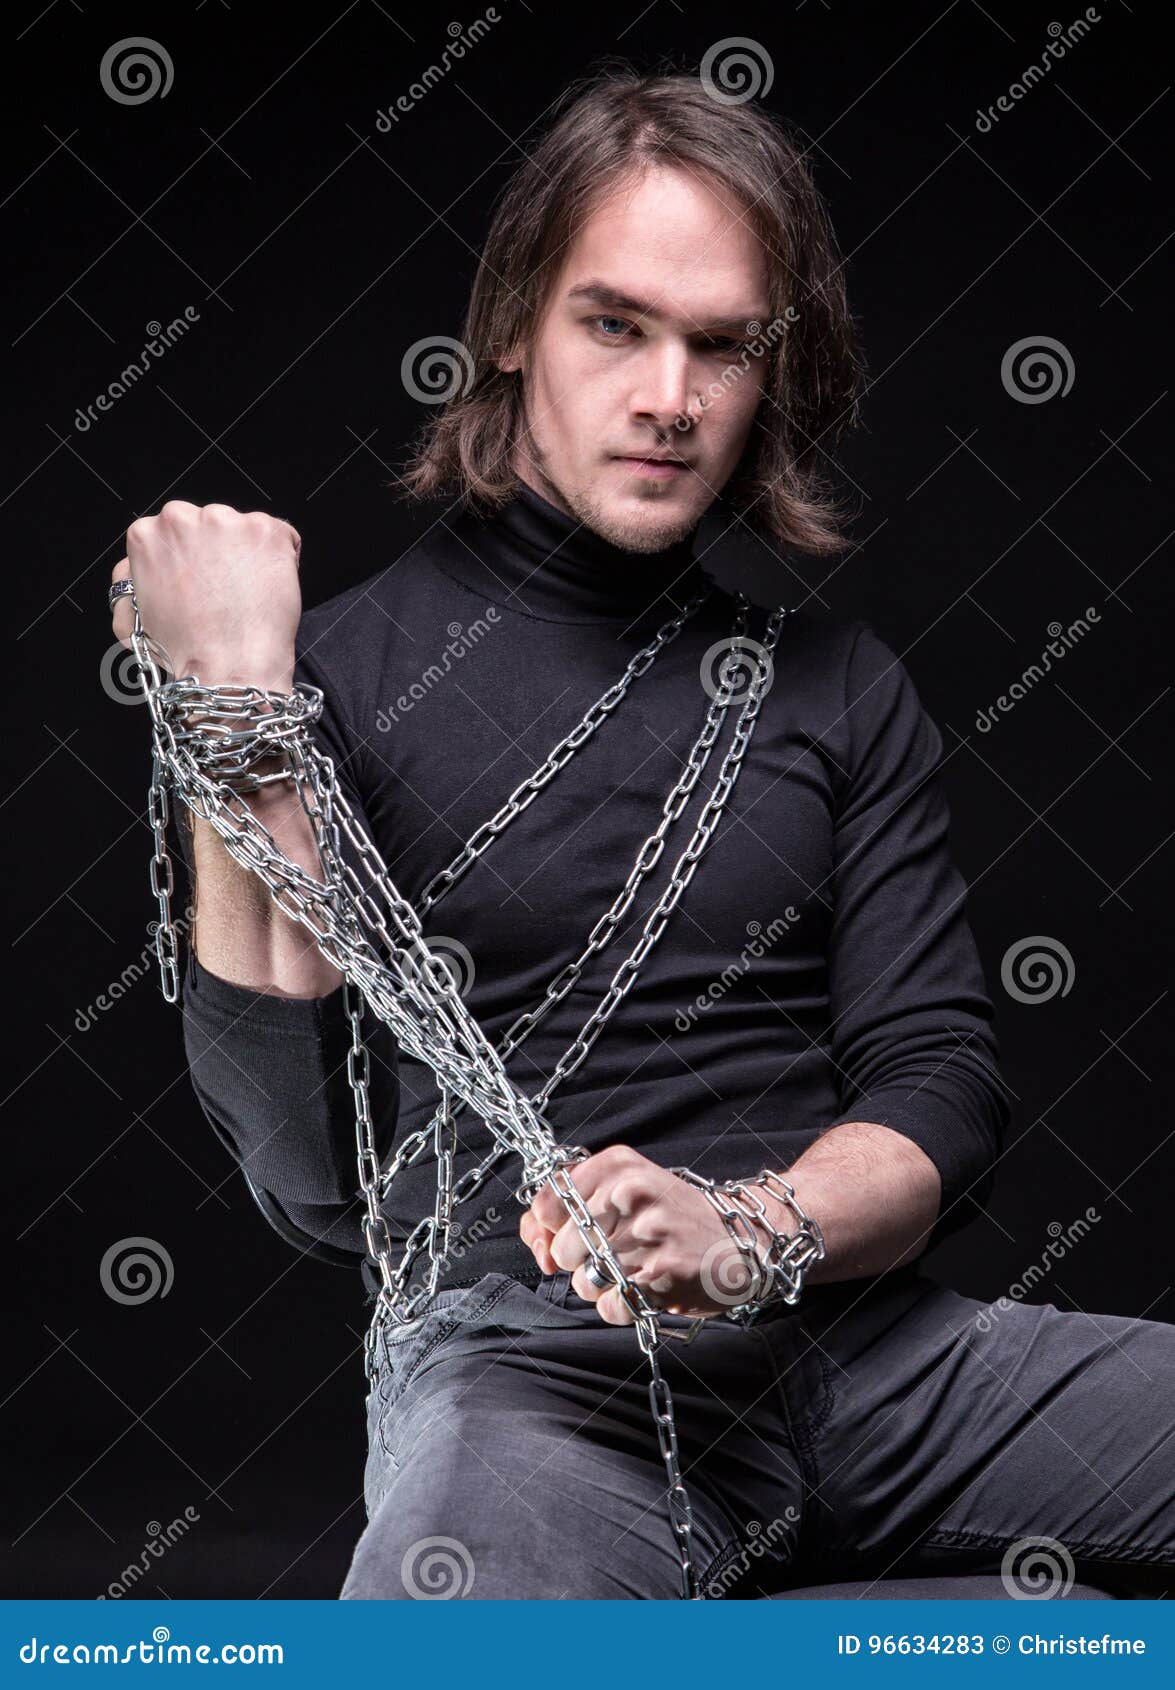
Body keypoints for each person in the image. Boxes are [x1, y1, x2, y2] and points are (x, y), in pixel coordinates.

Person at [110, 66, 1174, 1601]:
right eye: (615, 324)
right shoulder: (330, 681)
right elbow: (315, 1179)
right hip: (544, 1396)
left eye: (724, 343)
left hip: (868, 1362)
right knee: (453, 1615)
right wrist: (232, 708)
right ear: (510, 326)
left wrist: (746, 1229)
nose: (670, 393)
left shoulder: (835, 687)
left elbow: (940, 1090)